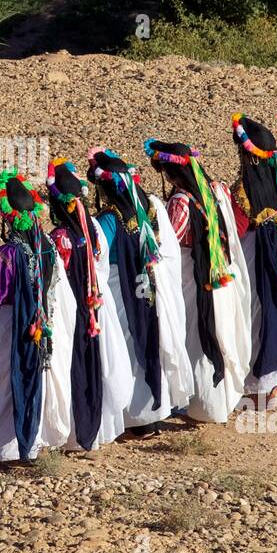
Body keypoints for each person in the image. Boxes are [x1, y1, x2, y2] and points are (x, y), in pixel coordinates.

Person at [145, 139, 252, 423]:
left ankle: (201, 407)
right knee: (221, 337)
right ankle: (220, 403)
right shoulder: (216, 189)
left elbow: (170, 241)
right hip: (221, 277)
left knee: (197, 341)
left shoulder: (181, 201)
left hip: (196, 281)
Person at [87, 148, 192, 436]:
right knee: (149, 345)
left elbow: (96, 255)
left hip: (121, 291)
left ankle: (132, 419)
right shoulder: (149, 205)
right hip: (150, 289)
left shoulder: (109, 219)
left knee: (126, 352)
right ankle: (152, 415)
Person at [0, 169, 75, 462]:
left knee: (2, 383)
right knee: (36, 381)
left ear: (8, 216)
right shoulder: (47, 246)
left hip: (11, 325)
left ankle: (3, 449)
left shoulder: (8, 253)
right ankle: (32, 444)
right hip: (43, 325)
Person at [44, 157, 130, 452]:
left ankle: (73, 436)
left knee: (73, 367)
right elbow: (101, 267)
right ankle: (92, 432)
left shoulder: (59, 238)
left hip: (72, 312)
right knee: (92, 366)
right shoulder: (91, 229)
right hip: (95, 306)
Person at [229, 113, 277, 410]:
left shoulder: (242, 191)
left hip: (254, 263)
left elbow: (235, 231)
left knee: (253, 319)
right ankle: (273, 390)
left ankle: (253, 391)